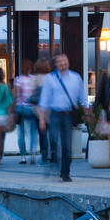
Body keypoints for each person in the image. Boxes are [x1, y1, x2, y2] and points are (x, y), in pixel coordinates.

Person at [38, 52, 86, 183]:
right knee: (53, 140)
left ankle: (65, 172)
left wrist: (88, 112)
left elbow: (82, 97)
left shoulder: (76, 77)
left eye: (64, 61)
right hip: (55, 113)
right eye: (59, 62)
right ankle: (53, 158)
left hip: (68, 114)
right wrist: (42, 119)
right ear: (56, 64)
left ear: (68, 62)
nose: (62, 64)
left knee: (67, 145)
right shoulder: (50, 78)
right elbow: (44, 99)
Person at [13, 60, 40, 165]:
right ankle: (33, 154)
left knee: (21, 133)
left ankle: (23, 156)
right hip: (32, 108)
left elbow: (16, 94)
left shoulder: (18, 80)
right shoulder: (34, 79)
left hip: (21, 108)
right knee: (33, 132)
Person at [32, 58, 51, 162]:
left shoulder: (35, 79)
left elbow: (31, 93)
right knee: (52, 132)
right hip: (50, 109)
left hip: (38, 110)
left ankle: (44, 154)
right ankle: (53, 153)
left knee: (42, 133)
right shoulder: (51, 77)